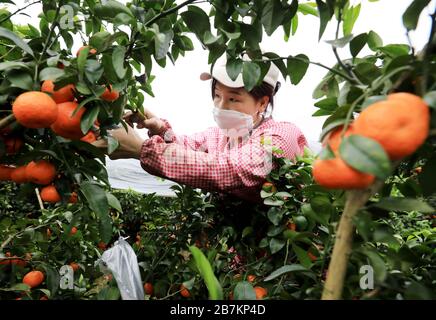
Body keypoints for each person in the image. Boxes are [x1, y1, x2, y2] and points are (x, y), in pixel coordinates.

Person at [93, 54, 308, 203]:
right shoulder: (218, 137)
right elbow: (188, 148)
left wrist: (143, 149)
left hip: (285, 260)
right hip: (238, 261)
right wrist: (160, 128)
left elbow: (228, 169)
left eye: (233, 99)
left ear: (262, 103)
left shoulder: (281, 136)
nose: (221, 106)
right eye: (217, 96)